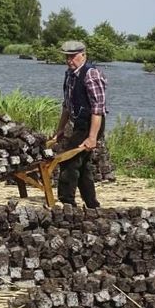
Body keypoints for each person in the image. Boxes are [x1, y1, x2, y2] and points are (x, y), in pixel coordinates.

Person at [53, 40, 107, 209]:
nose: (69, 60)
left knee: (69, 160)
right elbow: (67, 105)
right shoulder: (69, 75)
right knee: (82, 166)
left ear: (83, 55)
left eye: (73, 57)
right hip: (79, 123)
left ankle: (66, 203)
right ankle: (92, 204)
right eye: (67, 57)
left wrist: (92, 138)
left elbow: (98, 109)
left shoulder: (91, 74)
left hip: (92, 124)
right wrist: (60, 129)